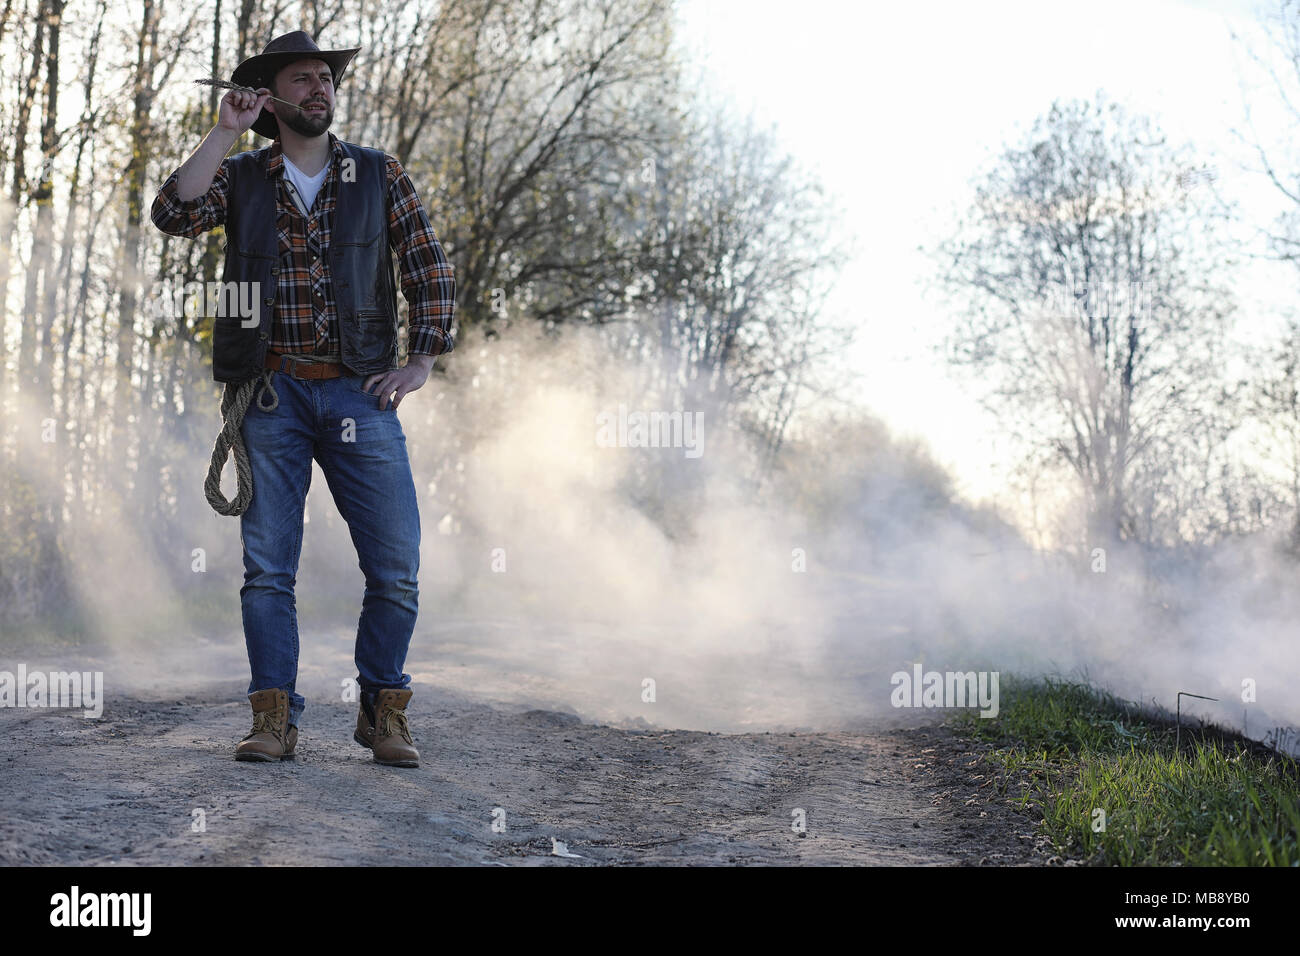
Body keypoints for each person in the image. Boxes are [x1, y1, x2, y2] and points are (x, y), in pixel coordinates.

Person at [150, 31, 456, 768]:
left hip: (360, 391)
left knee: (396, 568)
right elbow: (173, 212)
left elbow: (429, 270)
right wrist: (224, 130)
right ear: (273, 97)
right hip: (271, 394)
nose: (319, 88)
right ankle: (274, 718)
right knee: (267, 570)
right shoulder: (246, 175)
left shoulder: (379, 175)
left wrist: (421, 361)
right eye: (303, 79)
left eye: (326, 78)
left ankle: (383, 712)